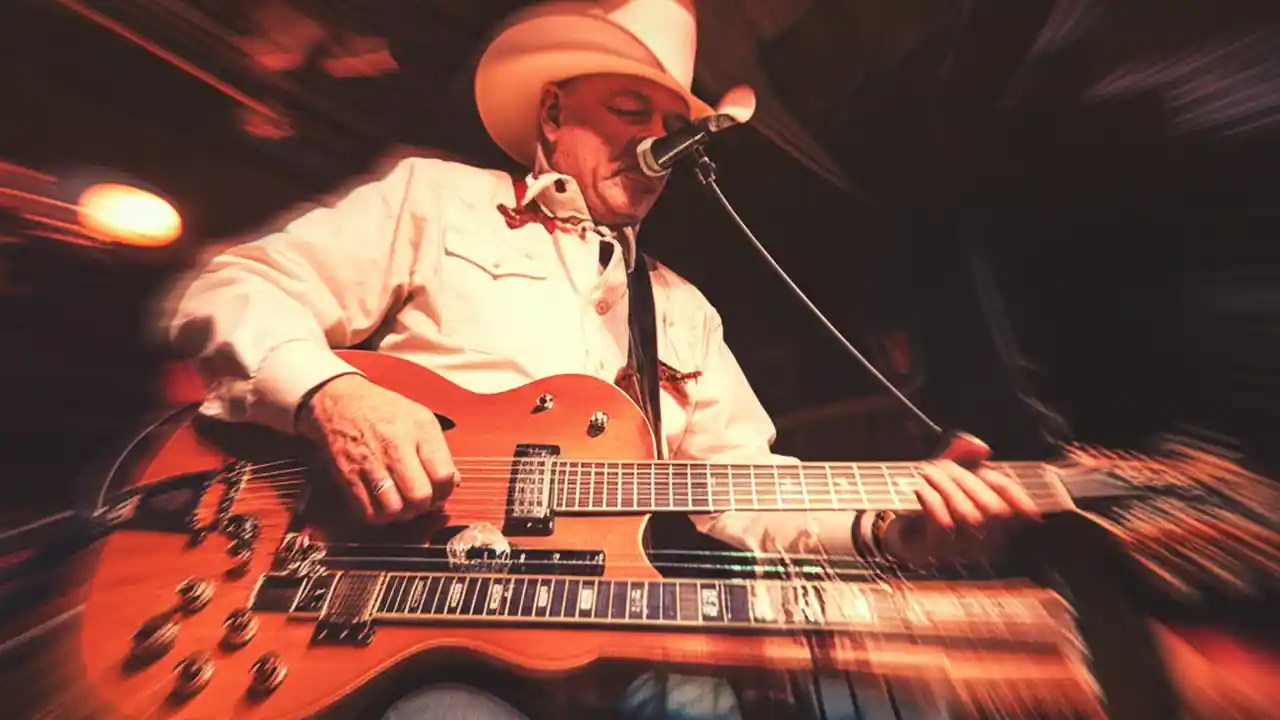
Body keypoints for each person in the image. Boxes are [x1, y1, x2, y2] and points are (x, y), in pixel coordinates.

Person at [159, 1, 1041, 716]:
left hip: (597, 636)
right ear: (553, 111)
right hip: (394, 616)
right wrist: (334, 397)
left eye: (673, 128)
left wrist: (892, 526)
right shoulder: (439, 199)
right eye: (629, 113)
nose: (654, 146)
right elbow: (230, 291)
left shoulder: (682, 310)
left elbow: (745, 490)